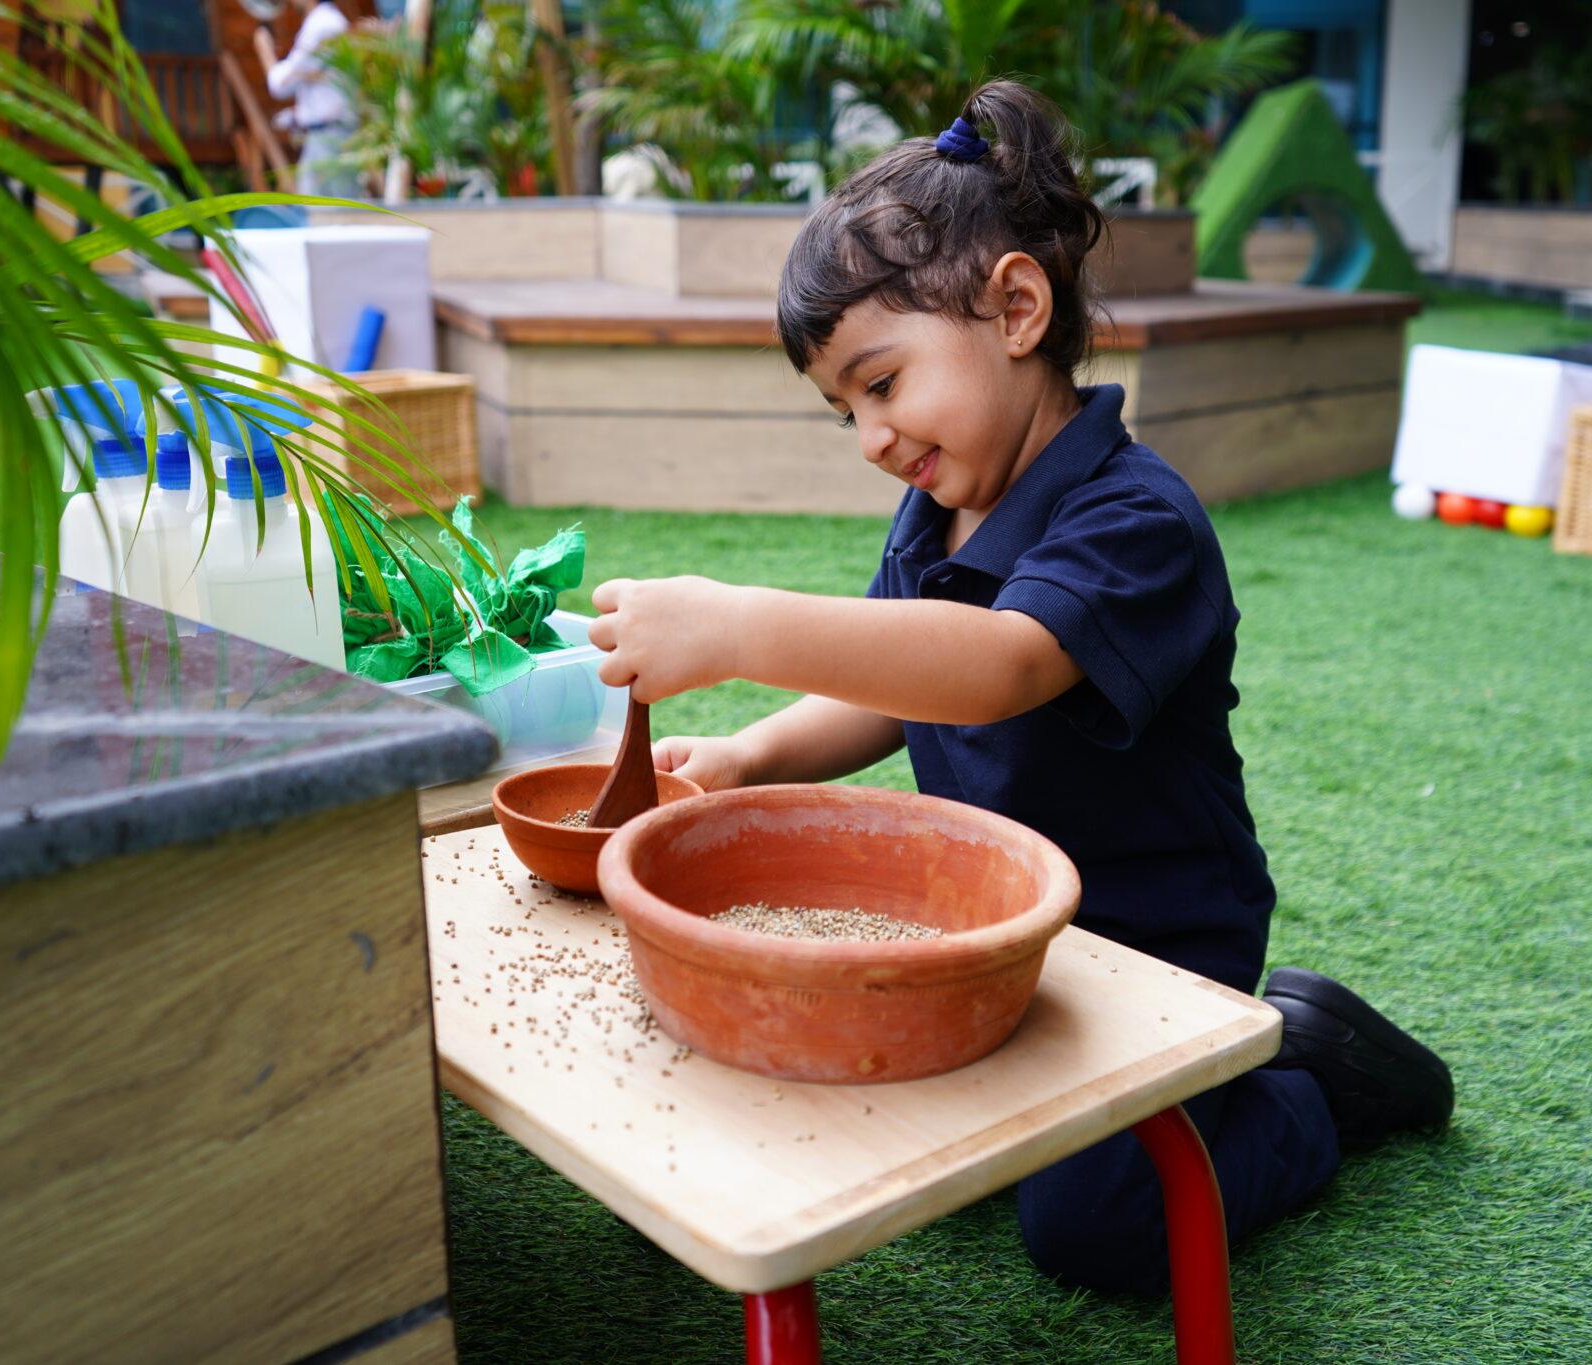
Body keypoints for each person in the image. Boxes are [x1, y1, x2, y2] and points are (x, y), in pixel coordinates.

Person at [584, 80, 1455, 1295]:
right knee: (898, 1133)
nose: (872, 437)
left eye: (882, 384)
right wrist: (748, 756)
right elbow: (901, 683)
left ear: (1014, 307)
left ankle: (1307, 1080)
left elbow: (992, 670)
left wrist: (736, 627)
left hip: (1149, 941)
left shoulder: (1136, 519)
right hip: (984, 932)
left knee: (1089, 1228)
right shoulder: (939, 505)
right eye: (844, 409)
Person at [252, 0, 359, 198]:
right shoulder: (327, 21)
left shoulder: (321, 25)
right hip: (329, 135)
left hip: (329, 138)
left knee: (326, 216)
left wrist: (264, 51)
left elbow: (282, 84)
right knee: (325, 213)